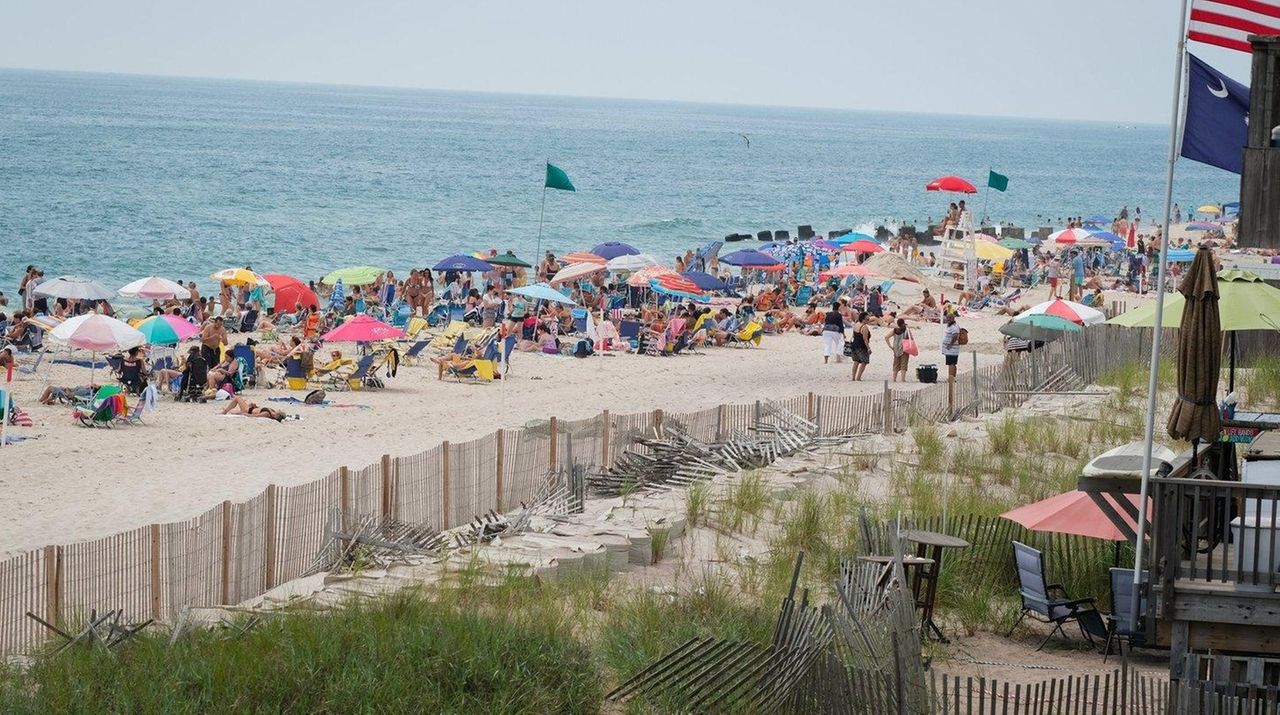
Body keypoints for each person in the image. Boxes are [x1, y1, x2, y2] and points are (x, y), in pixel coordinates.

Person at [220, 396, 287, 422]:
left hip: (248, 410)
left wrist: (245, 414)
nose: (280, 409)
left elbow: (255, 416)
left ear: (278, 414)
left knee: (237, 398)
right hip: (251, 408)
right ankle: (227, 409)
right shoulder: (272, 411)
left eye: (280, 411)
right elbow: (259, 410)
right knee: (233, 412)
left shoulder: (267, 414)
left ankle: (225, 411)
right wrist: (255, 406)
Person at [847, 311, 872, 381]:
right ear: (863, 319)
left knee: (856, 361)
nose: (868, 320)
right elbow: (865, 339)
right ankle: (858, 377)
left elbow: (853, 335)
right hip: (862, 347)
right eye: (867, 319)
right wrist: (869, 348)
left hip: (854, 345)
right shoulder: (865, 327)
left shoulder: (856, 324)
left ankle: (853, 377)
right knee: (864, 362)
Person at [885, 318, 910, 383]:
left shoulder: (895, 330)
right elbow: (911, 338)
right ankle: (903, 379)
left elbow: (886, 337)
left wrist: (890, 346)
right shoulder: (906, 330)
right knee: (904, 364)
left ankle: (894, 379)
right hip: (904, 348)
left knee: (896, 364)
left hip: (896, 348)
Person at [941, 313, 961, 381]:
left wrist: (950, 344)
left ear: (953, 319)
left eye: (949, 318)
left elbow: (955, 336)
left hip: (952, 349)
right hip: (952, 349)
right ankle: (953, 377)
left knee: (951, 364)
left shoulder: (954, 327)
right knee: (953, 364)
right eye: (947, 318)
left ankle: (951, 378)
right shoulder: (951, 326)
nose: (948, 319)